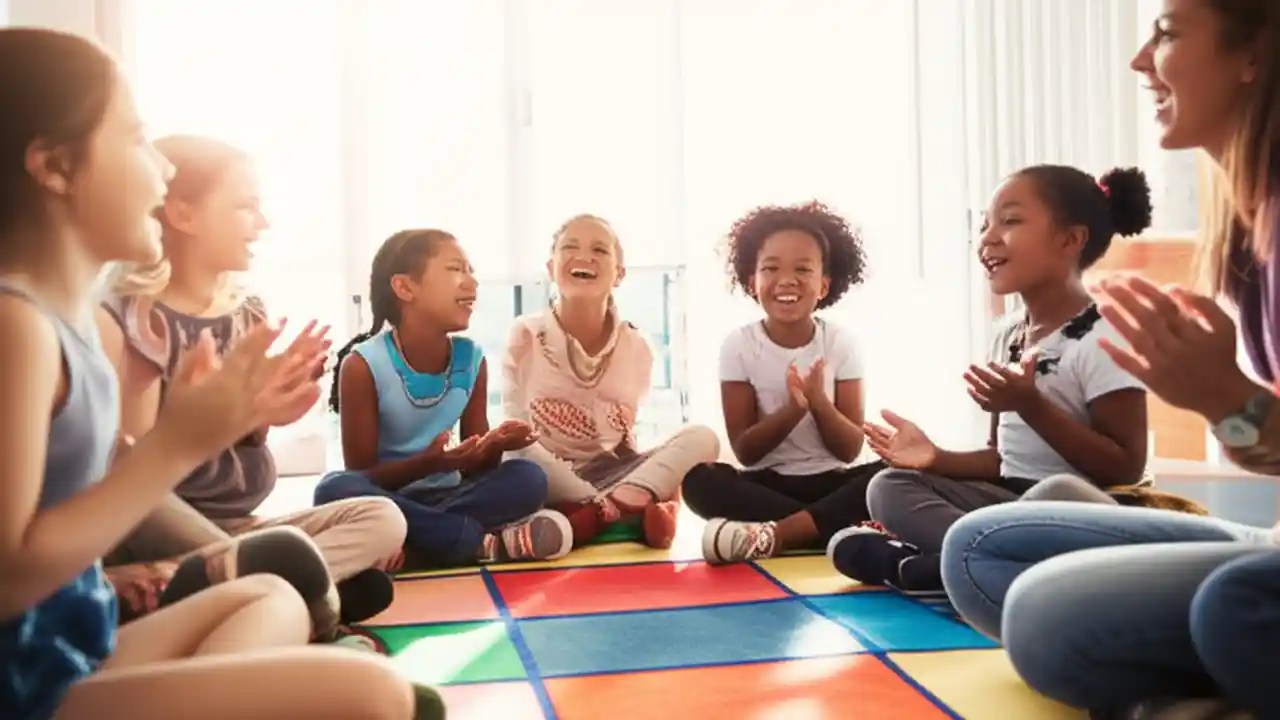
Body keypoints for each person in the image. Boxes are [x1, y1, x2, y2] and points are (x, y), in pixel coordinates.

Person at [0, 27, 441, 720]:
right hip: (30, 686)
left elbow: (80, 489)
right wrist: (179, 442)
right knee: (379, 697)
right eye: (137, 139)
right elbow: (10, 573)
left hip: (73, 647)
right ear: (54, 168)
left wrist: (233, 419)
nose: (160, 170)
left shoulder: (56, 322)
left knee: (270, 594)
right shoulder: (17, 327)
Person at [940, 1, 1280, 716]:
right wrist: (1229, 405)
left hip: (1253, 573)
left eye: (1167, 33)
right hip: (1265, 539)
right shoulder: (1249, 237)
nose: (1138, 60)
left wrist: (1229, 402)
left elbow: (1126, 462)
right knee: (980, 551)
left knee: (1232, 603)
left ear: (1253, 54)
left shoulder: (1093, 334)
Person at [99, 135, 403, 624]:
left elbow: (247, 441)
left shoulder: (247, 311)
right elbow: (133, 474)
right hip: (165, 520)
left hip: (238, 524)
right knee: (331, 572)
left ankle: (218, 583)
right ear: (182, 214)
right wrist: (210, 416)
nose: (263, 224)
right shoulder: (136, 320)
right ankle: (288, 585)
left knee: (383, 518)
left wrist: (266, 407)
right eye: (245, 207)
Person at [829, 165, 1153, 593]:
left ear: (1071, 239)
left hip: (1079, 508)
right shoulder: (1008, 334)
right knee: (889, 486)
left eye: (1010, 220)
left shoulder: (1106, 335)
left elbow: (1125, 465)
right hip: (1008, 503)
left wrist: (1032, 405)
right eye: (984, 224)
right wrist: (935, 457)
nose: (987, 238)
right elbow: (1000, 458)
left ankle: (937, 567)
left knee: (1055, 490)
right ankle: (984, 567)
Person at [315, 229, 573, 566]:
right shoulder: (363, 365)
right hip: (389, 501)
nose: (472, 283)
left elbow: (476, 469)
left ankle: (418, 545)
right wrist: (429, 464)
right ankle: (476, 542)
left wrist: (493, 444)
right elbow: (362, 477)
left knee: (529, 477)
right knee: (333, 488)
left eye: (471, 271)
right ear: (405, 287)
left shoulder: (471, 360)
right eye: (456, 269)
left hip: (450, 497)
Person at [682, 200, 885, 564]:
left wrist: (819, 403)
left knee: (893, 474)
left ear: (823, 285)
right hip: (768, 482)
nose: (786, 280)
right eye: (771, 268)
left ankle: (781, 533)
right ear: (752, 282)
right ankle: (827, 528)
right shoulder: (739, 345)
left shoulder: (842, 343)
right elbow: (746, 451)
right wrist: (794, 409)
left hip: (833, 479)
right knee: (699, 481)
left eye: (802, 269)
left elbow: (850, 449)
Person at [502, 214, 720, 549]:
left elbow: (623, 437)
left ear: (619, 273)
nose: (584, 257)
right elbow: (516, 431)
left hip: (610, 474)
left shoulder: (637, 347)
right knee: (515, 461)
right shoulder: (525, 335)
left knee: (702, 438)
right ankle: (623, 513)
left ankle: (597, 515)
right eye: (570, 247)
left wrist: (651, 475)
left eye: (600, 250)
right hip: (547, 476)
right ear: (551, 267)